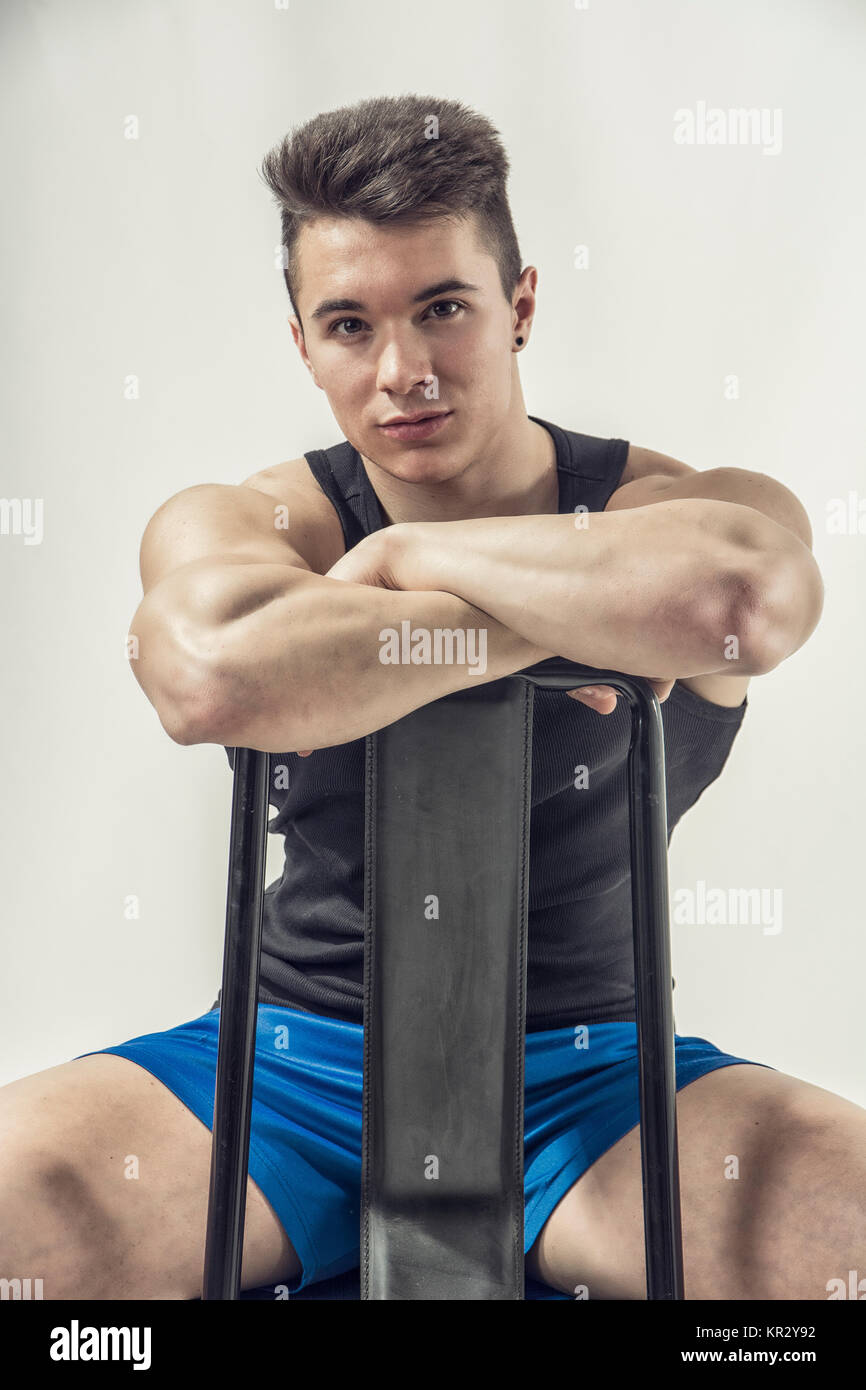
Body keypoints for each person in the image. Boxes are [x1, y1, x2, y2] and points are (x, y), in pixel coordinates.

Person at [2, 93, 858, 1303]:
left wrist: (404, 566)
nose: (401, 372)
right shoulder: (257, 520)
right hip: (285, 1070)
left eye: (441, 309)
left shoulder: (667, 504)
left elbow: (742, 598)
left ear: (517, 306)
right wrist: (569, 620)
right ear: (302, 343)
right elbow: (205, 669)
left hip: (601, 1082)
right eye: (349, 325)